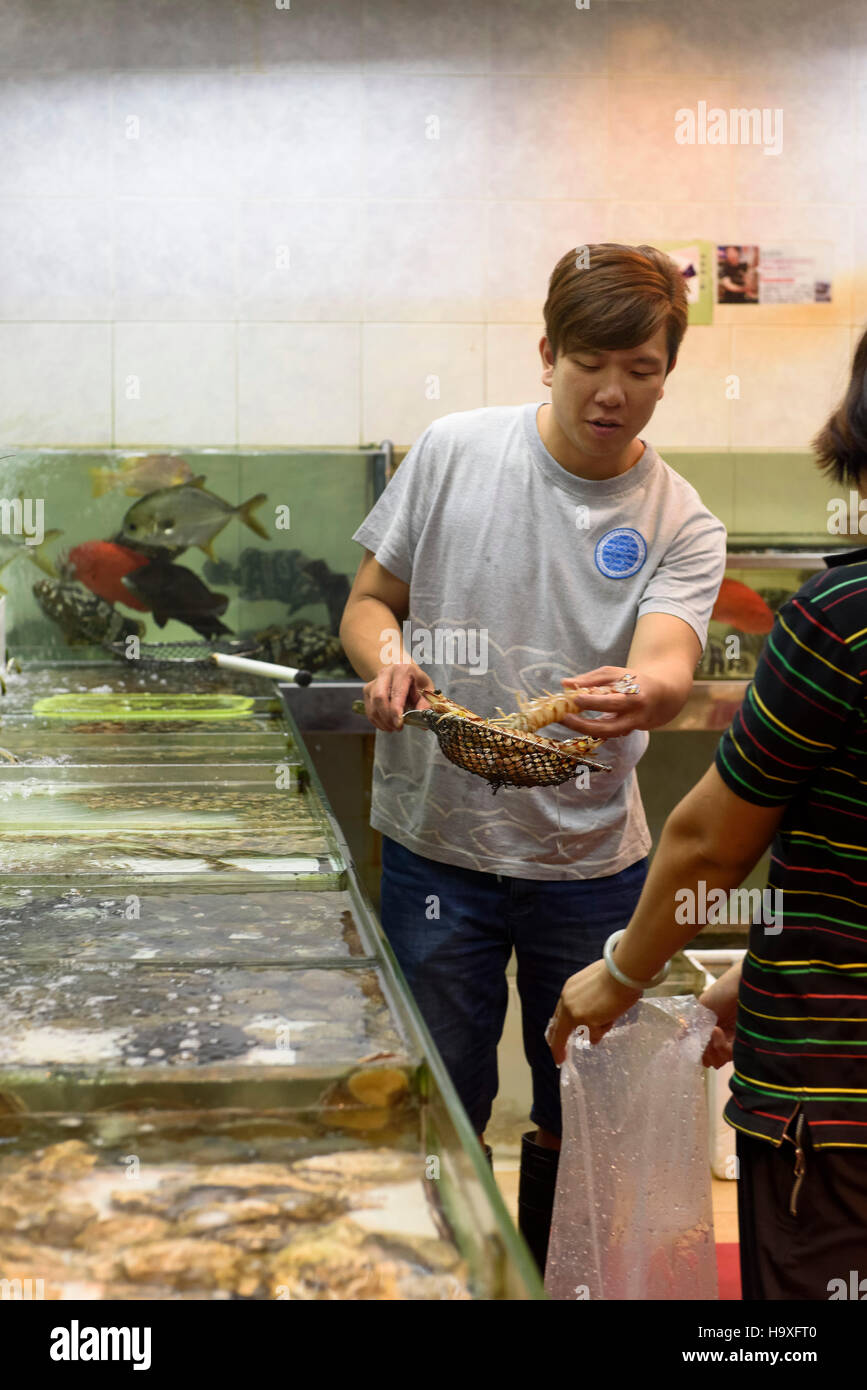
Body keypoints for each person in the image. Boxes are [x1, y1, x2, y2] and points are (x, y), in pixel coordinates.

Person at [340, 243, 727, 1271]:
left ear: (667, 372)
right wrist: (390, 658)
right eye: (592, 362)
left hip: (592, 865)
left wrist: (644, 691)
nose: (613, 393)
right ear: (546, 353)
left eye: (641, 371)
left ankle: (568, 1294)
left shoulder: (680, 519)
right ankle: (454, 1282)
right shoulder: (456, 451)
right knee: (441, 1099)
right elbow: (371, 602)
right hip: (437, 849)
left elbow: (668, 660)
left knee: (584, 1109)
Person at [548, 324, 867, 1299]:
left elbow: (708, 847)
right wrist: (751, 977)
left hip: (839, 1102)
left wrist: (620, 971)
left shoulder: (841, 618)